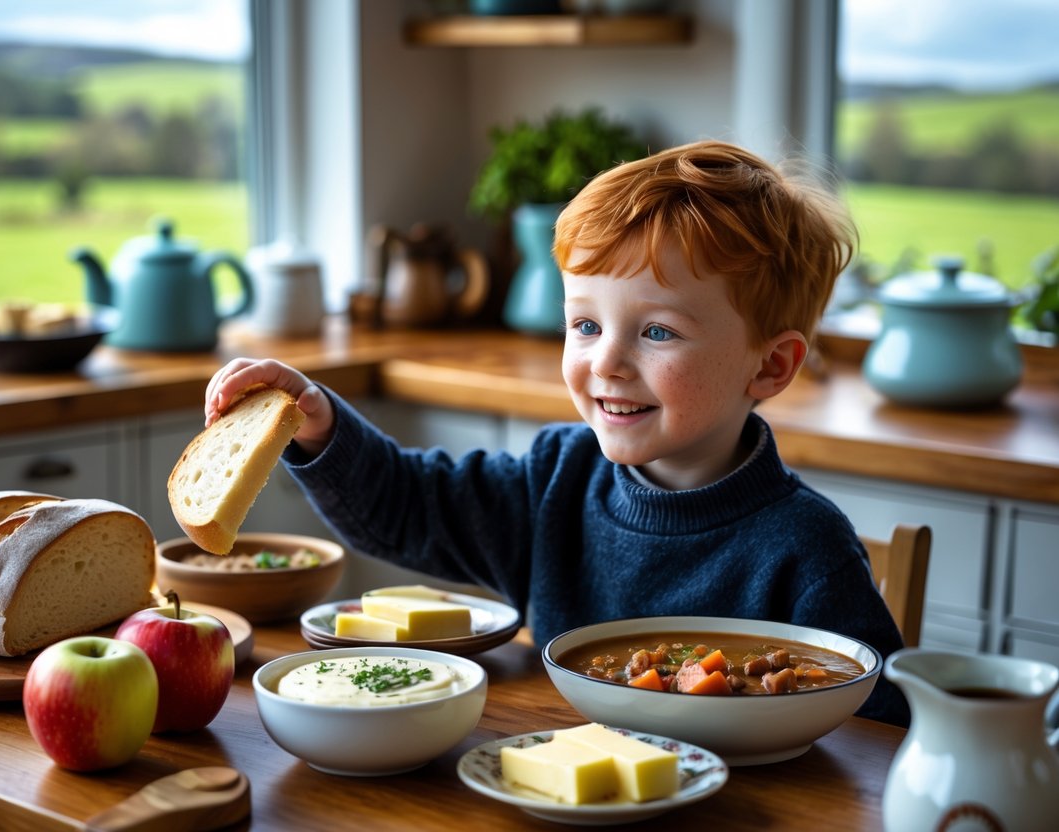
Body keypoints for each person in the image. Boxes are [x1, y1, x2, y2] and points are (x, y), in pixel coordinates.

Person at [204, 139, 909, 725]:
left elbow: (878, 736)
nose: (605, 362)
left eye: (657, 331)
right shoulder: (557, 477)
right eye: (586, 326)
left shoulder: (806, 549)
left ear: (771, 365)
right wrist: (319, 423)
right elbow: (406, 507)